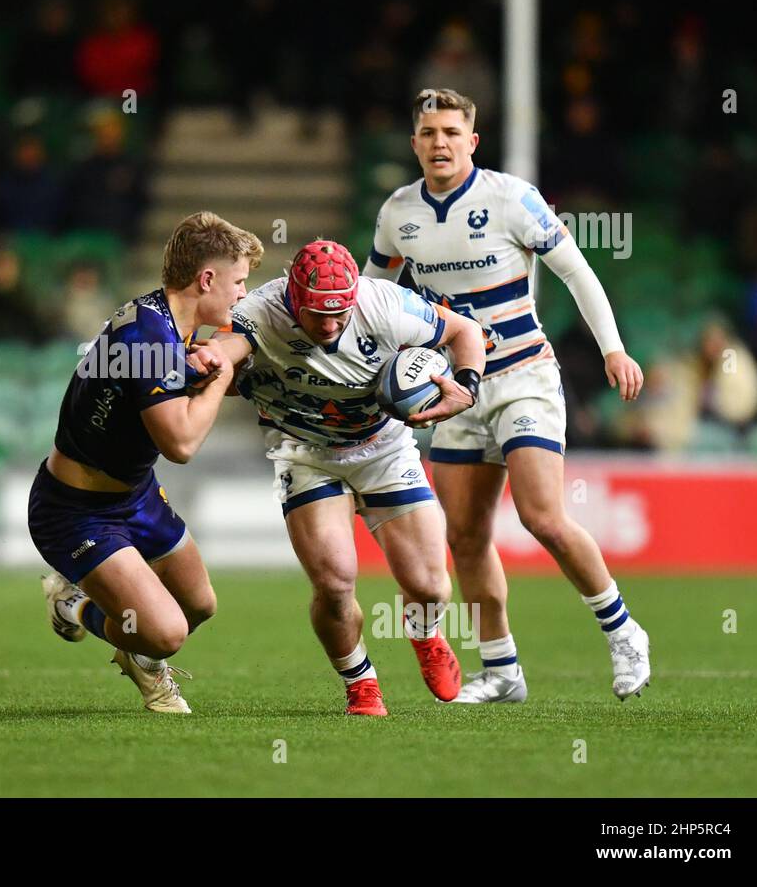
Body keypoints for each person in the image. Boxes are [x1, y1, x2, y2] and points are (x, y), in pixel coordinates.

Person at [365, 88, 649, 702]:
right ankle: (501, 670)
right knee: (464, 537)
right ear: (414, 143)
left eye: (451, 132)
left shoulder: (510, 198)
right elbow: (372, 297)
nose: (439, 142)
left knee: (542, 515)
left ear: (472, 141)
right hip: (454, 388)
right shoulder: (397, 213)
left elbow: (576, 270)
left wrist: (613, 348)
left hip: (523, 376)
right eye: (427, 133)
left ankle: (624, 632)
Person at [196, 239, 487, 715]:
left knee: (431, 587)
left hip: (384, 449)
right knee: (334, 582)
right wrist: (214, 361)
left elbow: (465, 332)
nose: (330, 326)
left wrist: (467, 387)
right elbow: (228, 346)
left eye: (340, 314)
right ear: (293, 297)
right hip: (305, 451)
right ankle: (361, 682)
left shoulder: (385, 304)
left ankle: (424, 631)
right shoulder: (260, 310)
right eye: (317, 315)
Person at [31, 211, 262, 713]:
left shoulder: (159, 322)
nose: (243, 294)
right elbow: (180, 444)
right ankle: (76, 605)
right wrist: (220, 379)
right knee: (165, 633)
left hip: (134, 494)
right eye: (239, 281)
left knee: (200, 605)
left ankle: (130, 644)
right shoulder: (149, 341)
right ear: (207, 279)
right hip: (75, 511)